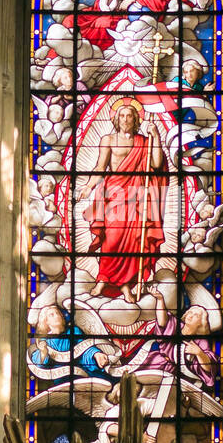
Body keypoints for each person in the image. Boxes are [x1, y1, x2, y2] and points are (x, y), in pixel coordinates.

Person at [83, 98, 167, 303]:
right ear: (116, 119)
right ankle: (103, 279)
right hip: (115, 194)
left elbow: (156, 163)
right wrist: (88, 186)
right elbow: (100, 167)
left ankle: (126, 286)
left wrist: (155, 136)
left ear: (136, 118)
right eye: (121, 115)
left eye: (129, 115)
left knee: (133, 244)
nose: (125, 119)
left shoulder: (143, 141)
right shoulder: (108, 140)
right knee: (111, 240)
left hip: (137, 197)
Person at [29, 304, 113, 381]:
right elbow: (38, 364)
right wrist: (43, 353)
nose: (57, 316)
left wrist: (96, 354)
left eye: (58, 313)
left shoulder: (74, 331)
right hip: (61, 378)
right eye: (52, 315)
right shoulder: (45, 341)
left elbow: (85, 348)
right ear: (46, 321)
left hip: (82, 372)